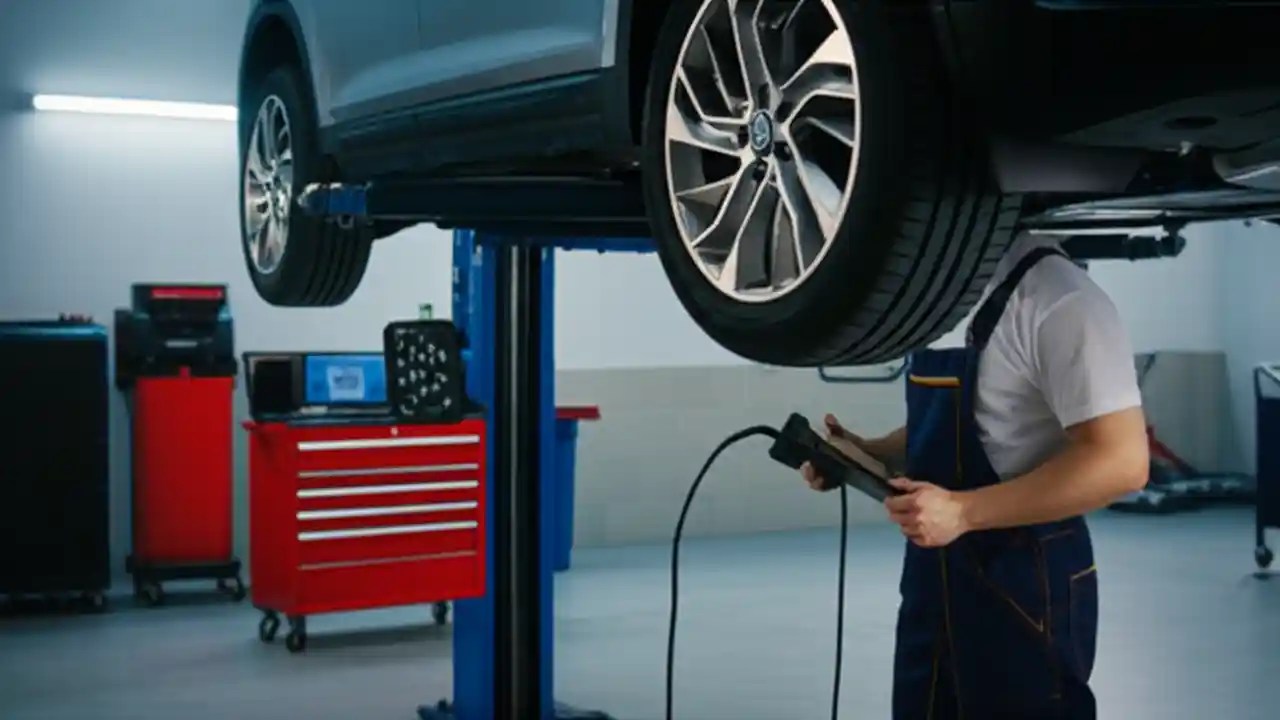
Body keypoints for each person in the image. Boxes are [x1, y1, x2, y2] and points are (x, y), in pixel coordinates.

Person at [802, 232, 1149, 719]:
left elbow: (1123, 462)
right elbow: (988, 418)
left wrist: (964, 511)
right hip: (934, 578)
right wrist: (868, 453)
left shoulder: (1060, 298)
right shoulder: (939, 297)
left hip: (1026, 578)